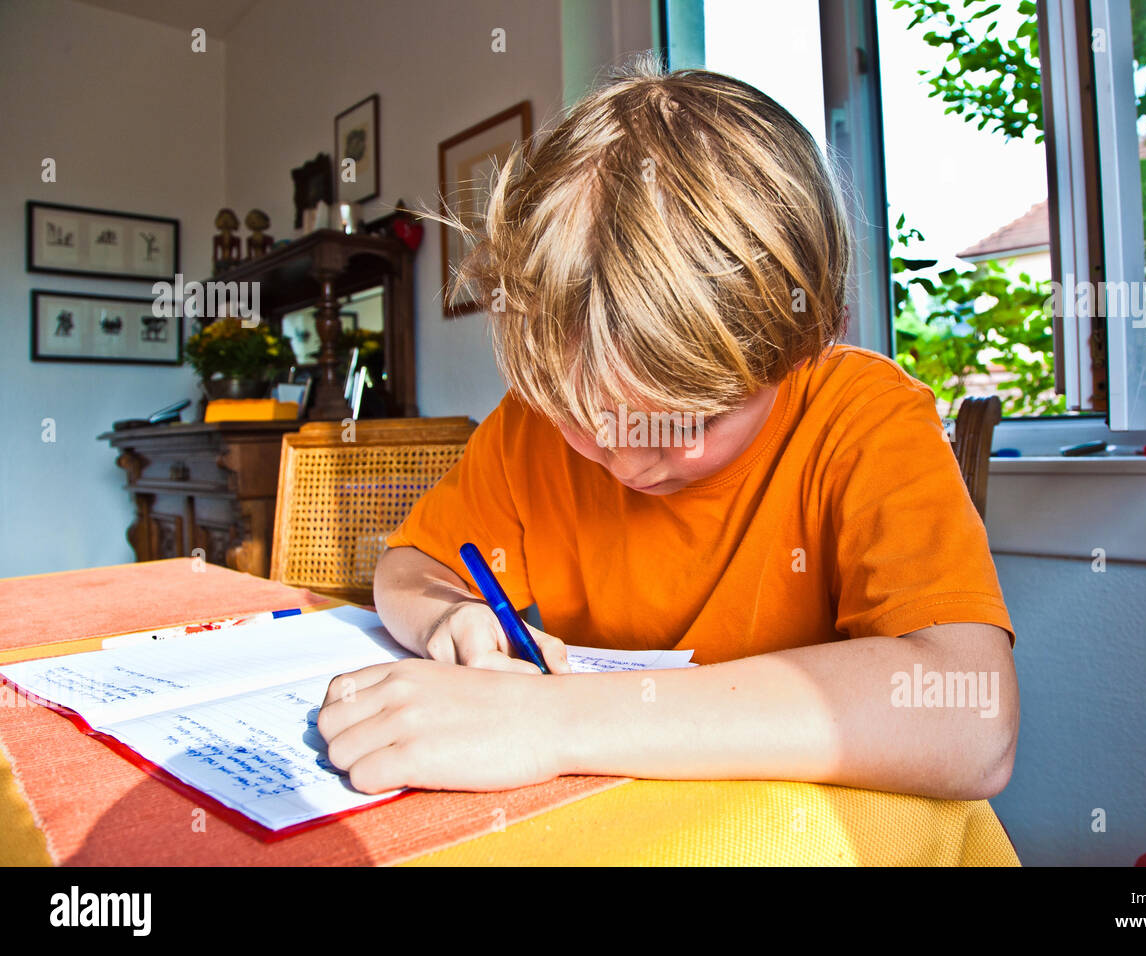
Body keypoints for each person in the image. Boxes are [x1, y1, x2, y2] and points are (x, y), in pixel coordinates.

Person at [316, 54, 1019, 801]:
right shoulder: (528, 429)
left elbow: (973, 716)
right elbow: (409, 568)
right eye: (583, 418)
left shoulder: (861, 418)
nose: (628, 463)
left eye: (691, 418)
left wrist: (554, 721)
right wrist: (446, 617)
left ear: (810, 335)